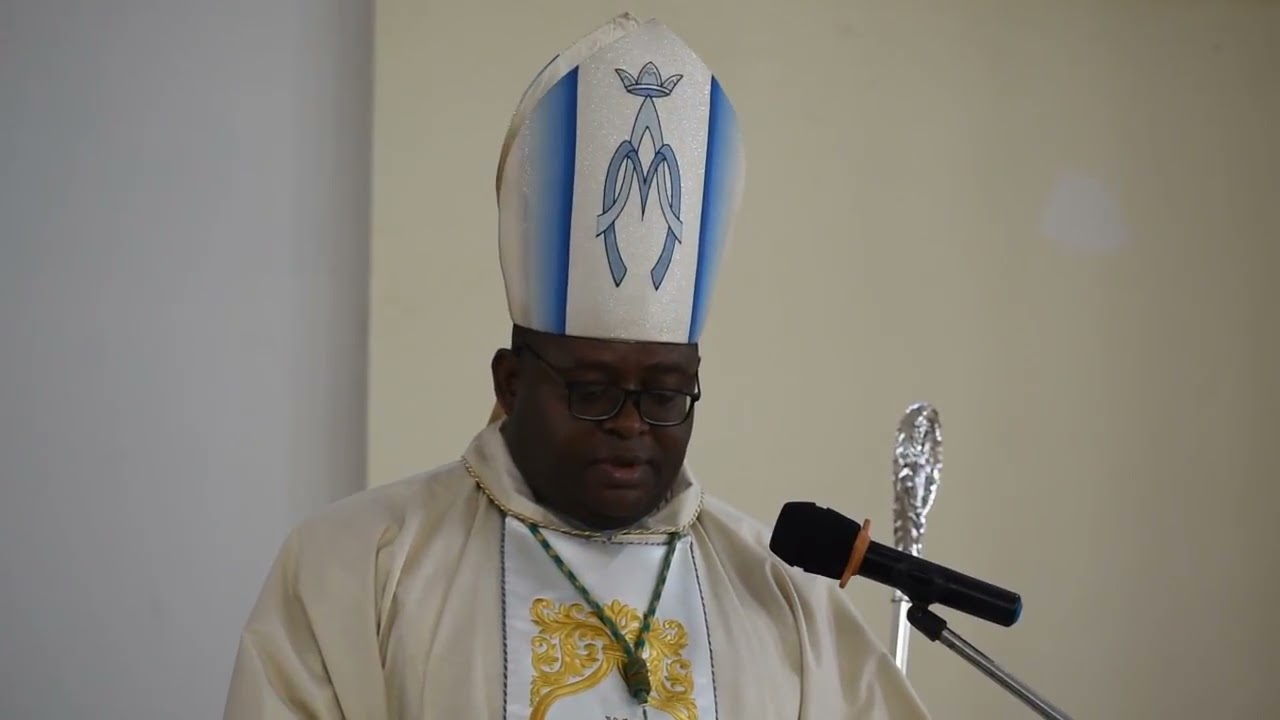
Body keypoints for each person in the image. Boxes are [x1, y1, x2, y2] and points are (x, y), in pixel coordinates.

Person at [223, 12, 931, 720]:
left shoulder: (782, 598)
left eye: (664, 395)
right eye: (593, 391)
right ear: (510, 381)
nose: (631, 426)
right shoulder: (357, 567)